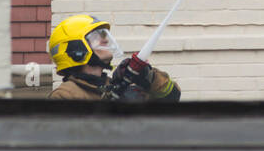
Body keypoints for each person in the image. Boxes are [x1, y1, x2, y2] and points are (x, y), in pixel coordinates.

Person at [47, 14, 180, 103]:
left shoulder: (112, 87)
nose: (105, 40)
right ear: (76, 49)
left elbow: (173, 97)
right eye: (96, 37)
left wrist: (149, 77)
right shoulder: (65, 95)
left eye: (104, 35)